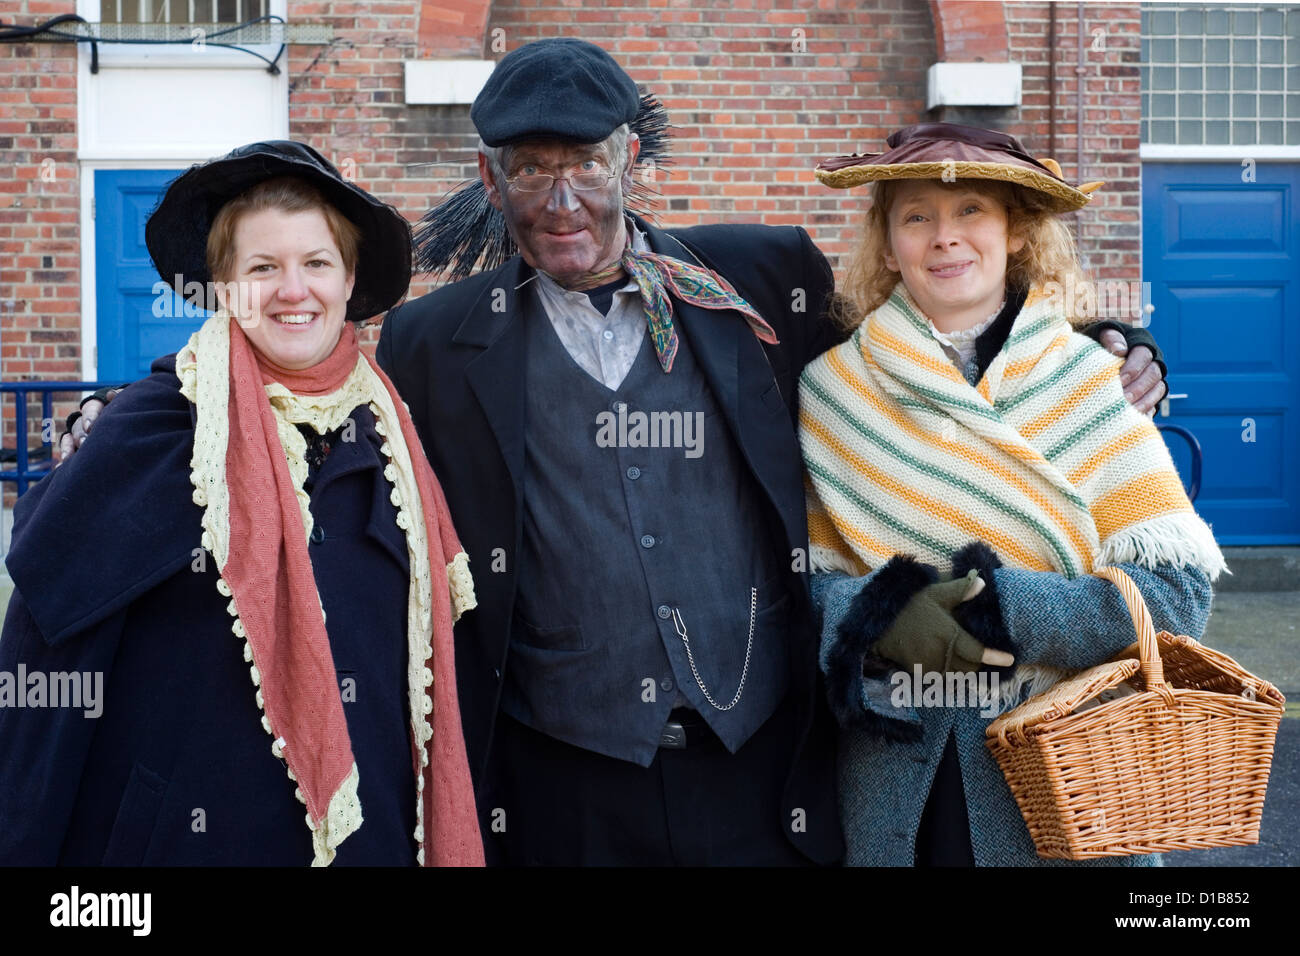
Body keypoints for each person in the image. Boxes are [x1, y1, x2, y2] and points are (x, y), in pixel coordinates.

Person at [376, 41, 1168, 865]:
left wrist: (1101, 342)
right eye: (531, 171)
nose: (562, 200)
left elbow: (922, 338)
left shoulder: (757, 277)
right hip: (561, 775)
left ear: (629, 157)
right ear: (489, 175)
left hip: (756, 761)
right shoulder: (431, 343)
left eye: (585, 164)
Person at [0, 141, 484, 866]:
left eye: (316, 263)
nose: (294, 290)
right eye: (262, 269)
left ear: (347, 279)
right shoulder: (152, 432)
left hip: (368, 841)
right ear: (223, 288)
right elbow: (45, 653)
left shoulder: (394, 444)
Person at [799, 123, 1226, 866]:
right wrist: (881, 616)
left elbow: (1178, 594)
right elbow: (802, 585)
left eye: (971, 212)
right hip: (899, 776)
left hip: (1068, 771)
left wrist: (1014, 609)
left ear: (1017, 232)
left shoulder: (1088, 383)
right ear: (889, 240)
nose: (944, 238)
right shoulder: (834, 391)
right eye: (917, 216)